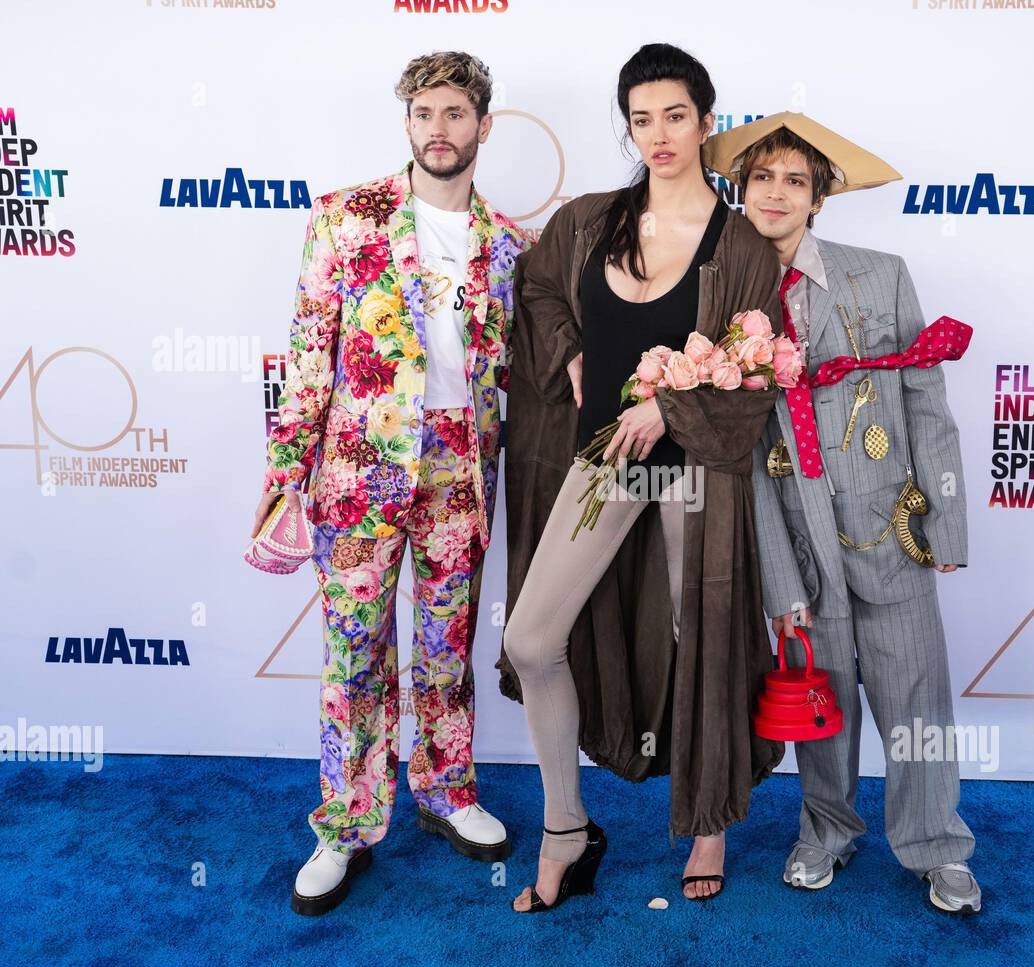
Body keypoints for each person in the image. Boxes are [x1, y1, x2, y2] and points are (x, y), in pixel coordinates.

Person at [496, 42, 785, 912]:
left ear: (705, 120)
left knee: (703, 640)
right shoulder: (589, 220)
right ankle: (566, 828)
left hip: (694, 471)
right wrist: (572, 351)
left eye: (674, 116)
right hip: (605, 464)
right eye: (641, 119)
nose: (658, 135)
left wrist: (671, 405)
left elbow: (755, 367)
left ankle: (707, 822)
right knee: (529, 640)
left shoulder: (741, 244)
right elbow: (538, 288)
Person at [252, 51, 529, 916]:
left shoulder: (511, 243)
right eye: (423, 113)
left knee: (447, 647)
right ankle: (345, 821)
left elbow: (514, 368)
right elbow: (307, 354)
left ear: (484, 124)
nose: (438, 129)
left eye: (455, 113)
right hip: (356, 468)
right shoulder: (345, 219)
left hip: (459, 468)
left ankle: (447, 790)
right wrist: (282, 478)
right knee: (354, 652)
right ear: (406, 122)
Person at [703, 113, 982, 913]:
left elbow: (927, 401)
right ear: (740, 189)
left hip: (892, 532)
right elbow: (739, 459)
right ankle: (825, 829)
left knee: (915, 697)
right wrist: (779, 577)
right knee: (820, 705)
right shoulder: (722, 298)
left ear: (819, 197)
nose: (777, 193)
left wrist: (947, 522)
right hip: (802, 543)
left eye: (796, 179)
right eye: (762, 178)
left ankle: (936, 841)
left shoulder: (880, 275)